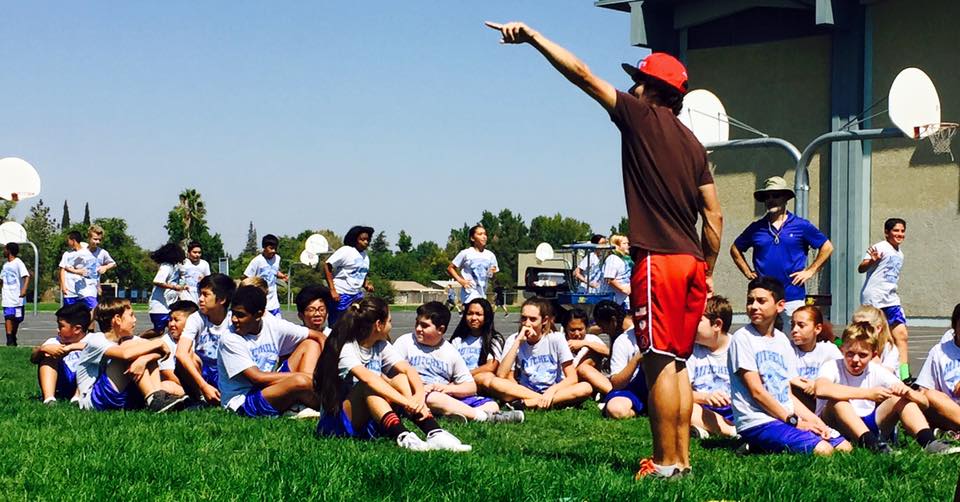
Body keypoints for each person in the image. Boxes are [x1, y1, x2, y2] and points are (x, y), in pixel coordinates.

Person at [486, 21, 723, 477]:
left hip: (658, 261)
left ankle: (663, 462)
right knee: (677, 363)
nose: (631, 84)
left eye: (638, 78)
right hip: (692, 263)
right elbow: (714, 215)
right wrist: (706, 266)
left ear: (651, 89)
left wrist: (535, 38)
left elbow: (581, 73)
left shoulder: (638, 115)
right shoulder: (694, 145)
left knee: (657, 364)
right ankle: (682, 463)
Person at [314, 296, 471, 451]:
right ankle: (403, 436)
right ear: (378, 325)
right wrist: (406, 402)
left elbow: (407, 370)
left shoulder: (381, 345)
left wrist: (418, 396)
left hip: (369, 415)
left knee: (400, 378)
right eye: (389, 321)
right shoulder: (347, 347)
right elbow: (368, 379)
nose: (391, 325)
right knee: (368, 385)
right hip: (338, 423)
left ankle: (433, 432)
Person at [728, 276, 850, 455]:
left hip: (785, 417)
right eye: (750, 301)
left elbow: (787, 395)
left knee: (844, 447)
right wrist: (794, 422)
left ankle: (759, 447)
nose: (754, 306)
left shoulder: (782, 340)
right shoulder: (742, 338)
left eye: (761, 301)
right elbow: (757, 392)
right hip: (758, 421)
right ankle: (755, 441)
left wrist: (817, 422)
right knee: (824, 450)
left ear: (780, 306)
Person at [815, 321, 959, 454]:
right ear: (842, 350)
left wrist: (908, 393)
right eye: (850, 354)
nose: (855, 360)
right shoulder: (833, 366)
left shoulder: (876, 370)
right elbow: (821, 390)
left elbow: (924, 403)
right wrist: (867, 394)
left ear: (873, 355)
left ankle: (929, 443)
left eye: (863, 355)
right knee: (838, 403)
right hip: (837, 426)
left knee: (900, 399)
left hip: (870, 422)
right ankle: (874, 446)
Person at [393, 301, 523, 423]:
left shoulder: (450, 351)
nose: (418, 329)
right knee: (434, 398)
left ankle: (455, 412)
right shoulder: (405, 342)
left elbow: (471, 387)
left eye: (425, 326)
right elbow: (392, 375)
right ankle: (482, 416)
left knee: (492, 405)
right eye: (417, 323)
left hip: (444, 395)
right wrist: (419, 387)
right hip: (417, 394)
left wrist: (448, 388)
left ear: (441, 329)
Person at [731, 176, 833, 326]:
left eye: (776, 195)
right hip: (764, 297)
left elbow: (827, 247)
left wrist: (810, 271)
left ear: (785, 198)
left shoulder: (801, 226)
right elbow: (735, 249)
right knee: (763, 340)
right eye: (767, 196)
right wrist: (747, 271)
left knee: (793, 341)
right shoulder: (756, 228)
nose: (771, 199)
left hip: (792, 296)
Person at [216, 286, 326, 418]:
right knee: (301, 381)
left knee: (310, 344)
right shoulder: (230, 338)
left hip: (271, 386)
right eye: (233, 313)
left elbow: (318, 336)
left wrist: (328, 368)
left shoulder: (273, 325)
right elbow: (257, 378)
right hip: (244, 402)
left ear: (259, 314)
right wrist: (308, 377)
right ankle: (327, 406)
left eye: (240, 315)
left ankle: (302, 404)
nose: (233, 319)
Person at [75, 299, 188, 412]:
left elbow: (162, 352)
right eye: (131, 315)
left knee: (168, 385)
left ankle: (169, 398)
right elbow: (126, 354)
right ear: (118, 319)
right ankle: (153, 399)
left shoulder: (130, 340)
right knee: (131, 347)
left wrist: (144, 360)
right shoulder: (97, 340)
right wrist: (158, 342)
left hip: (122, 395)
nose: (135, 320)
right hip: (95, 401)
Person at [495, 298, 593, 410]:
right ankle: (543, 401)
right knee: (495, 382)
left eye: (533, 319)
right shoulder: (514, 340)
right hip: (525, 391)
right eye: (523, 318)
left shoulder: (556, 338)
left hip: (554, 389)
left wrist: (552, 390)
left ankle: (528, 404)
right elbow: (502, 375)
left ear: (544, 320)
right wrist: (518, 342)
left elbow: (572, 378)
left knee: (586, 387)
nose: (527, 324)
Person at [859, 217, 911, 381]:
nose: (899, 234)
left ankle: (904, 376)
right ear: (887, 232)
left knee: (901, 335)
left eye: (902, 231)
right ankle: (869, 372)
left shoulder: (900, 254)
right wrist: (872, 261)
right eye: (896, 230)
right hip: (875, 298)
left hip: (891, 299)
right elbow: (861, 268)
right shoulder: (880, 247)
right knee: (872, 337)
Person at [175, 273, 236, 405]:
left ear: (222, 299)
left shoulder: (234, 320)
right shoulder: (196, 318)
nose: (200, 299)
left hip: (228, 373)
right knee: (187, 356)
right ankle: (199, 399)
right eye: (200, 294)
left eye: (205, 294)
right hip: (204, 375)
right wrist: (203, 386)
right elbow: (180, 353)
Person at [688, 296, 737, 439]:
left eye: (697, 321)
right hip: (703, 407)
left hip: (734, 409)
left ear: (717, 324)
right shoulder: (692, 350)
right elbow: (682, 392)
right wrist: (706, 397)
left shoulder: (737, 346)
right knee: (683, 408)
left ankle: (706, 430)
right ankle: (732, 432)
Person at [915, 303, 960, 435]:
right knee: (930, 396)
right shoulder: (939, 351)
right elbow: (924, 389)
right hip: (950, 410)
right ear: (954, 327)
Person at [31, 303, 89, 404]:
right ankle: (49, 398)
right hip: (62, 380)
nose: (57, 330)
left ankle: (78, 397)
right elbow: (33, 359)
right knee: (48, 356)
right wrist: (42, 349)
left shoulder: (92, 340)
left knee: (93, 360)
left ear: (77, 329)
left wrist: (70, 348)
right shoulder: (54, 342)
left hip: (84, 382)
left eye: (61, 326)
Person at [598, 300, 647, 420]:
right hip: (633, 391)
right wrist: (636, 360)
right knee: (616, 409)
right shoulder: (623, 340)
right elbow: (616, 383)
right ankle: (642, 409)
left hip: (664, 388)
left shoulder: (667, 335)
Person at [789, 306, 841, 412]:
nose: (794, 330)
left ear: (817, 328)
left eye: (801, 325)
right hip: (796, 408)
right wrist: (804, 385)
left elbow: (843, 376)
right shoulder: (786, 348)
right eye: (793, 325)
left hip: (823, 408)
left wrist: (817, 385)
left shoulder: (829, 349)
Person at [325, 225, 374, 326]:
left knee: (359, 320)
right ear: (355, 239)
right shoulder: (346, 251)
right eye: (362, 239)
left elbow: (362, 272)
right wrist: (332, 290)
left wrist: (366, 284)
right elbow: (327, 265)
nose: (366, 242)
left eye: (368, 240)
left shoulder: (365, 255)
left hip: (356, 294)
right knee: (338, 324)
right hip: (341, 294)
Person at [564, 308, 611, 396]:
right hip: (571, 381)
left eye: (580, 329)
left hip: (589, 378)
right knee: (583, 368)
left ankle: (612, 393)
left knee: (592, 354)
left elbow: (608, 352)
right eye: (572, 330)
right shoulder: (561, 342)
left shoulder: (591, 339)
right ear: (566, 329)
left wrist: (584, 343)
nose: (577, 334)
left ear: (586, 328)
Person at [447, 224, 498, 303]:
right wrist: (461, 281)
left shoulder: (490, 255)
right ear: (472, 238)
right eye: (480, 234)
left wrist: (492, 273)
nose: (484, 237)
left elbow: (492, 277)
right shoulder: (466, 253)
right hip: (469, 293)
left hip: (482, 293)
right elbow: (450, 268)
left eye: (485, 234)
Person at [158, 300, 198, 390]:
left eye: (176, 320)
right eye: (170, 320)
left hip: (201, 381)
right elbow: (168, 373)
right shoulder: (165, 342)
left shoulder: (200, 338)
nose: (171, 324)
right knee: (166, 386)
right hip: (179, 384)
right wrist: (196, 390)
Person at [243, 234, 287, 317]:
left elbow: (274, 271)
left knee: (277, 326)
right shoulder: (257, 261)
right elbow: (246, 278)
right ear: (264, 247)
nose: (273, 251)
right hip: (261, 302)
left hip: (274, 303)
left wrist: (281, 276)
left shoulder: (277, 259)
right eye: (271, 248)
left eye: (275, 248)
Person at [850, 305, 900, 375]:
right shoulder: (853, 343)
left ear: (878, 328)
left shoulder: (889, 349)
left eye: (865, 327)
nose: (859, 331)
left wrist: (875, 361)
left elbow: (887, 374)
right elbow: (841, 343)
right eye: (855, 326)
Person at [148, 243, 186, 332]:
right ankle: (139, 338)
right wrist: (174, 287)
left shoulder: (175, 267)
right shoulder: (166, 267)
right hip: (159, 305)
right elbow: (157, 281)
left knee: (176, 329)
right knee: (159, 331)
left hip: (170, 305)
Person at [59, 231, 97, 311]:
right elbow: (62, 270)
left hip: (82, 289)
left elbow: (90, 271)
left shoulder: (86, 253)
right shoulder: (67, 254)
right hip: (69, 289)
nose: (67, 242)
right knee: (69, 312)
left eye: (68, 240)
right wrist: (63, 286)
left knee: (87, 311)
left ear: (73, 240)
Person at [2, 242, 30, 346]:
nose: (3, 251)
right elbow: (2, 279)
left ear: (9, 251)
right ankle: (9, 340)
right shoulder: (5, 265)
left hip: (17, 297)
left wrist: (24, 290)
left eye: (5, 249)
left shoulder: (18, 262)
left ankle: (13, 336)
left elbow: (27, 276)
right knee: (8, 316)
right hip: (7, 297)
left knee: (17, 319)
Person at [601, 235, 632, 311]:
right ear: (617, 246)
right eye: (625, 243)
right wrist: (623, 289)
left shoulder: (623, 259)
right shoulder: (613, 259)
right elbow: (609, 278)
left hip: (622, 300)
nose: (628, 246)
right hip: (614, 302)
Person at [85, 225, 116, 301]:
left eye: (100, 240)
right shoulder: (82, 251)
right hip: (80, 286)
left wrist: (105, 267)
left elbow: (113, 263)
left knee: (94, 310)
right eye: (95, 239)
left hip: (93, 287)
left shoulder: (102, 253)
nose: (97, 242)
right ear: (89, 238)